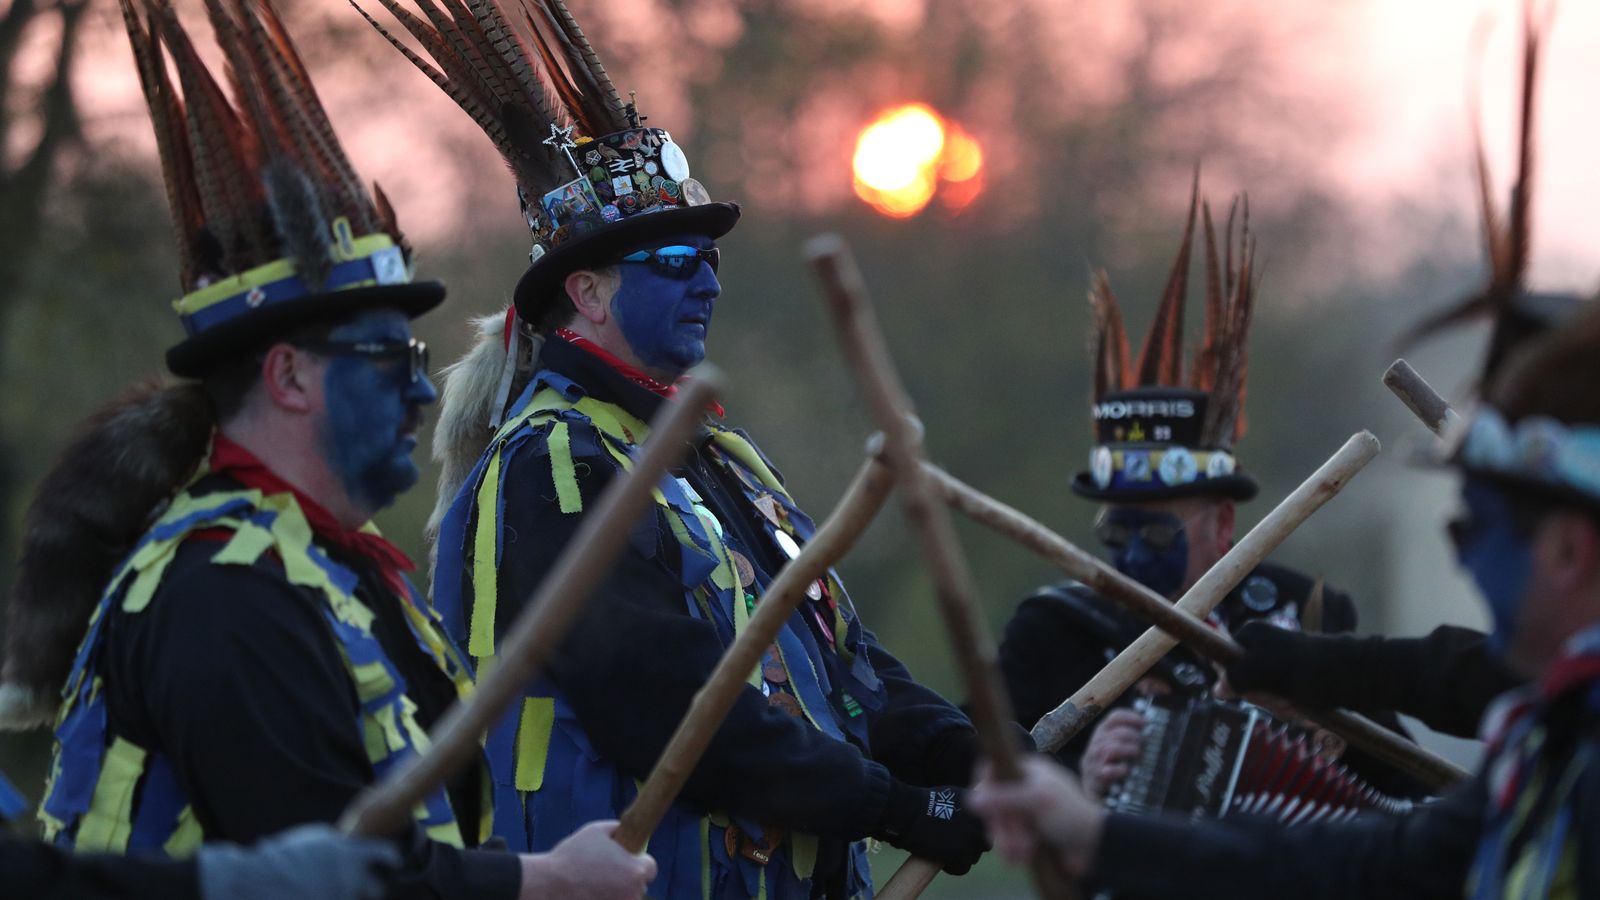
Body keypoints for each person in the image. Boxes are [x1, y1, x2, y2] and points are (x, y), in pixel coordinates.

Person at [0, 1, 652, 897]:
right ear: (291, 377)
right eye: (392, 361)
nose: (425, 391)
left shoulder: (336, 572)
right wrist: (542, 881)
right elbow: (330, 867)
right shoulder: (220, 592)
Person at [355, 0, 991, 894]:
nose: (704, 277)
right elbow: (668, 709)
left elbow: (838, 661)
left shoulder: (714, 459)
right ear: (586, 292)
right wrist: (890, 805)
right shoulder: (554, 470)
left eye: (709, 257)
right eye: (672, 260)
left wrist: (968, 755)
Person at [970, 12, 1600, 896]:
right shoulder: (1552, 730)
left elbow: (1400, 796)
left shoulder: (1312, 613)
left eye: (1473, 533)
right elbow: (1402, 848)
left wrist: (1312, 696)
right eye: (1120, 525)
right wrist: (1092, 807)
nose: (1461, 563)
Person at [997, 184, 1425, 801]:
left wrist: (1338, 737)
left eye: (1156, 533)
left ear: (1222, 524)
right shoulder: (1053, 632)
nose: (1133, 557)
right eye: (1116, 534)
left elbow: (1405, 782)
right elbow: (981, 769)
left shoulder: (1306, 613)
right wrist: (1073, 782)